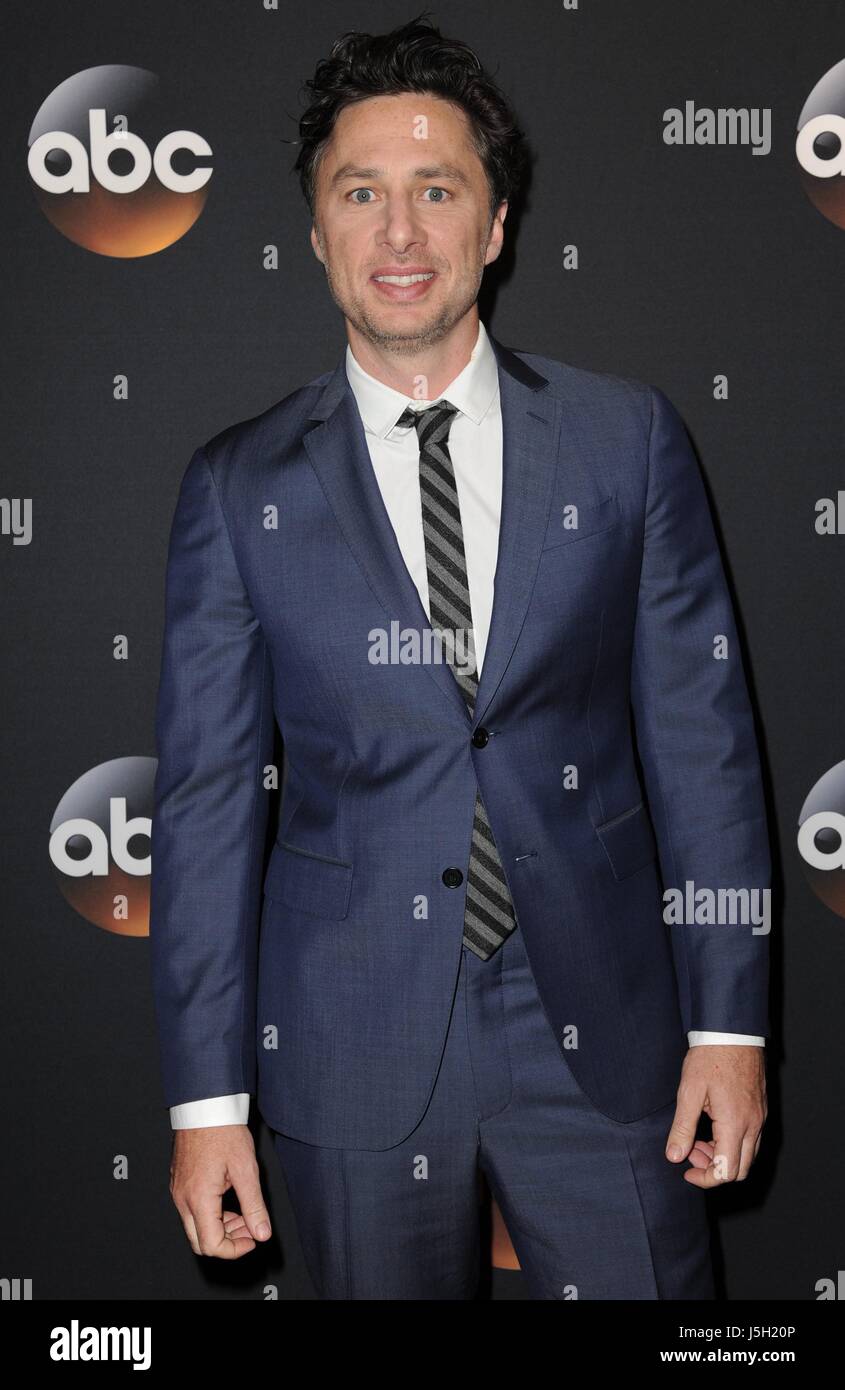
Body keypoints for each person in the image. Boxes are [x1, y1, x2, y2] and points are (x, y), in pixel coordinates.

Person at [150, 15, 770, 1300]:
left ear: (494, 226)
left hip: (601, 1031)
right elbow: (205, 805)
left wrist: (727, 1023)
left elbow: (702, 749)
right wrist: (207, 1098)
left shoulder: (625, 442)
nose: (398, 233)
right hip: (348, 1037)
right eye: (359, 193)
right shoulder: (235, 485)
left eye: (437, 191)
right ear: (315, 232)